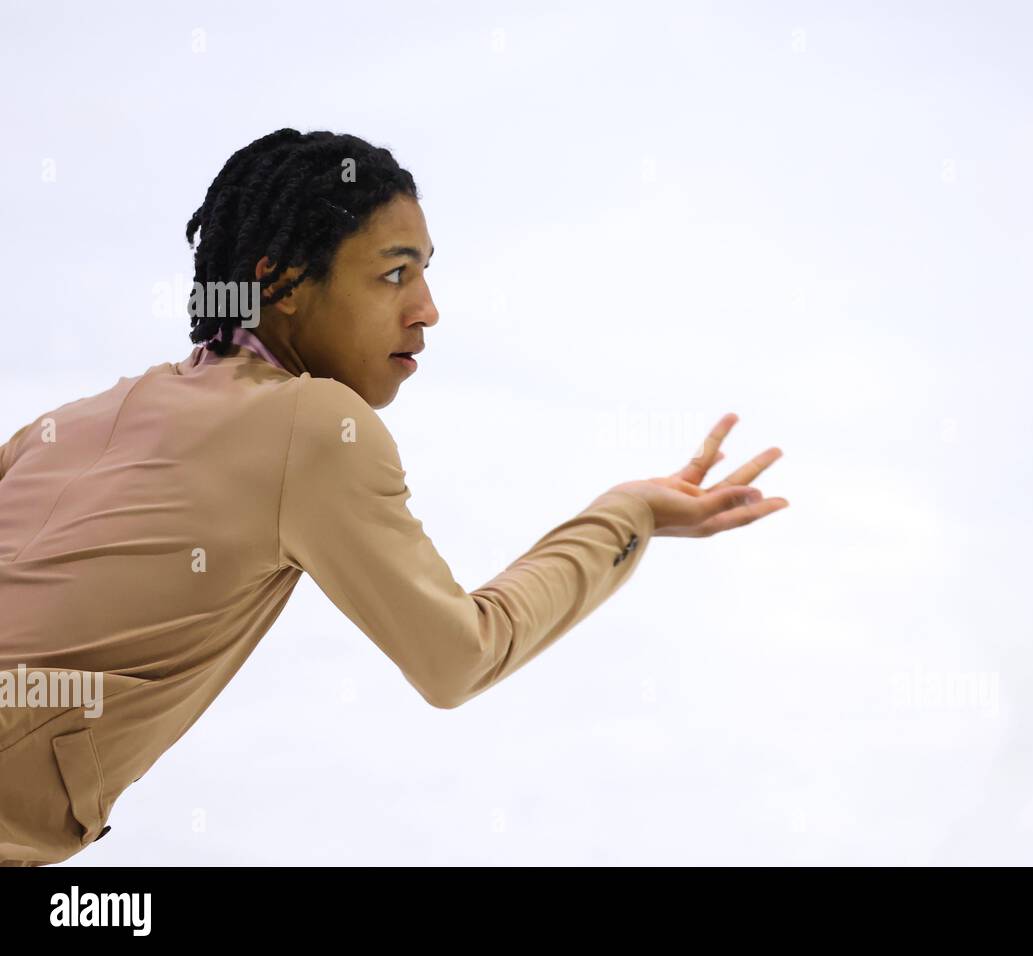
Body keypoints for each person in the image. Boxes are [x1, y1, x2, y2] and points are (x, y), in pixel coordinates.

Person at [0, 128, 787, 865]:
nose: (427, 309)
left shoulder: (63, 424)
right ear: (279, 283)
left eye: (425, 272)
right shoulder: (311, 421)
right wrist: (632, 513)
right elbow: (459, 657)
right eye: (393, 273)